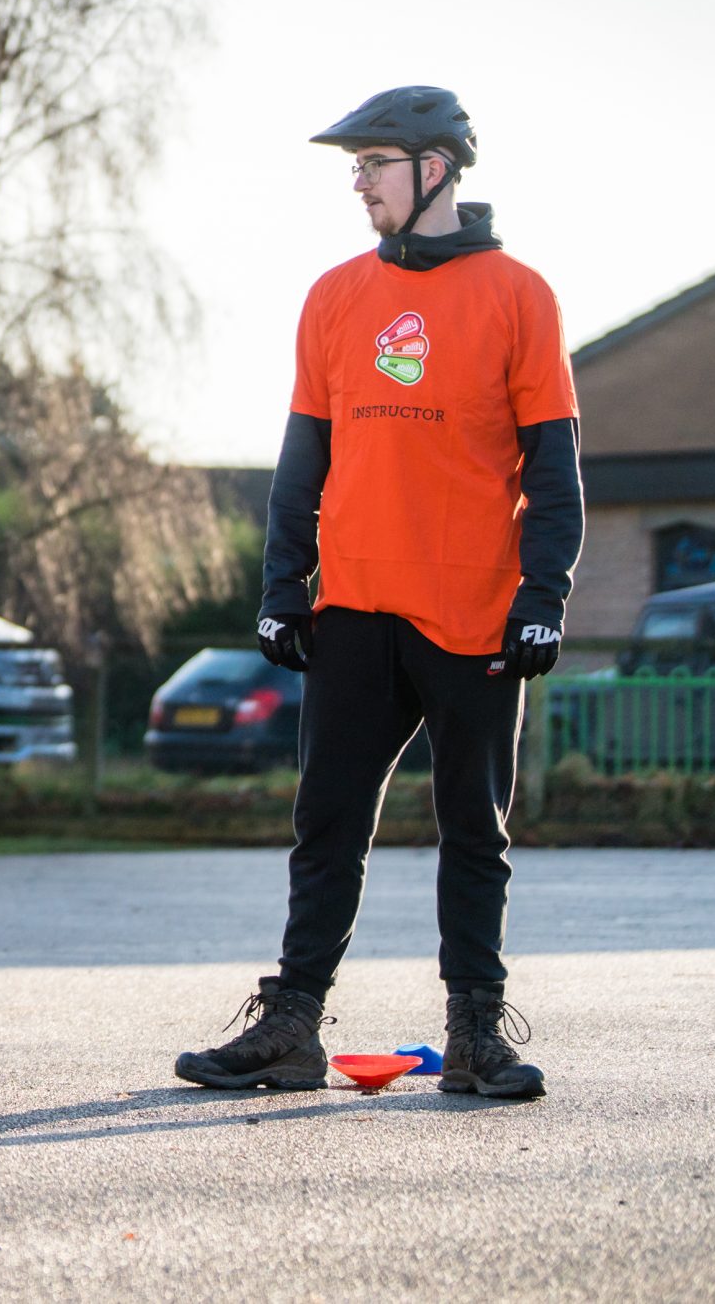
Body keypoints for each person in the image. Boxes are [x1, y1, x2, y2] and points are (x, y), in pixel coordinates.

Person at [175, 88, 583, 1100]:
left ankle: (475, 1035)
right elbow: (301, 458)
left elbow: (553, 466)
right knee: (325, 825)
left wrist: (542, 598)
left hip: (474, 617)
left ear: (434, 168)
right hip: (354, 608)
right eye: (353, 166)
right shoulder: (333, 297)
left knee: (473, 832)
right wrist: (282, 585)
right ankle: (290, 1028)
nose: (357, 183)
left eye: (373, 163)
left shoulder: (519, 295)